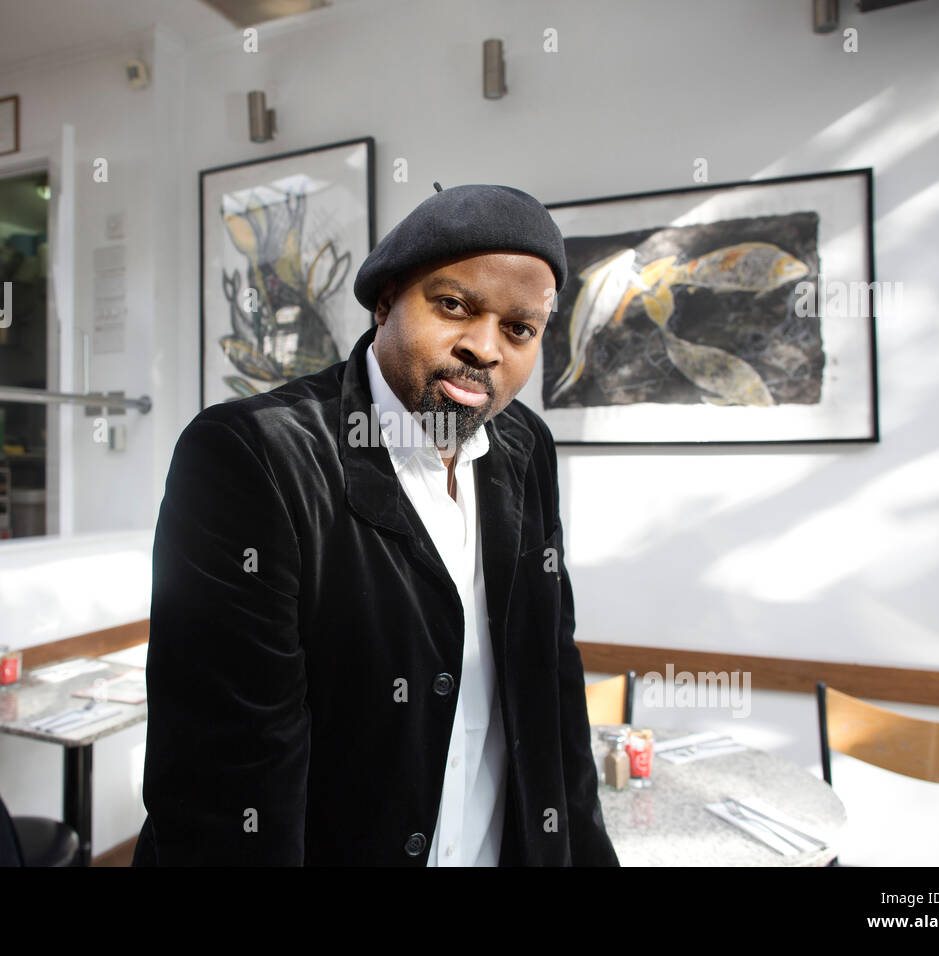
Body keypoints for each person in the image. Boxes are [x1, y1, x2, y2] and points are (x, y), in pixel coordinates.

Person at [132, 182, 619, 866]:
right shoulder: (254, 454)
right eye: (453, 305)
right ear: (386, 298)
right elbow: (225, 776)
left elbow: (552, 687)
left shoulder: (524, 446)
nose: (484, 346)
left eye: (519, 328)